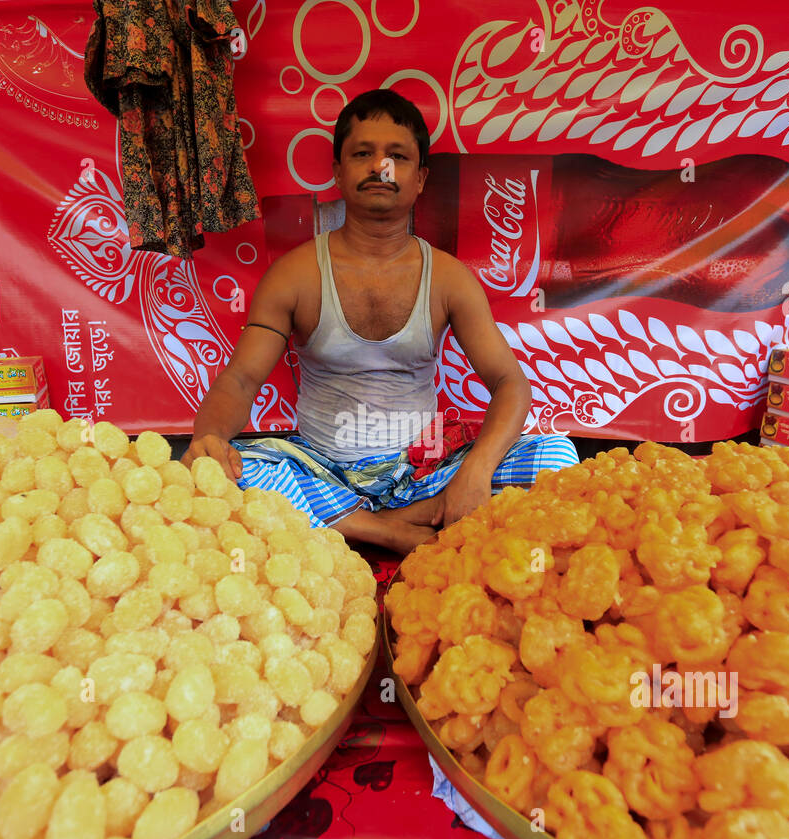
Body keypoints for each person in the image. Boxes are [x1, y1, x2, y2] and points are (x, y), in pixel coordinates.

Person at [181, 89, 578, 553]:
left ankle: (359, 521)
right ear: (338, 172)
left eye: (397, 156)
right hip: (320, 471)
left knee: (556, 457)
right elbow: (242, 379)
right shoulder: (294, 274)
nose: (379, 167)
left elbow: (511, 382)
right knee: (220, 470)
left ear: (420, 177)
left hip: (426, 471)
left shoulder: (449, 278)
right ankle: (384, 527)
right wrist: (208, 439)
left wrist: (474, 471)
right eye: (362, 154)